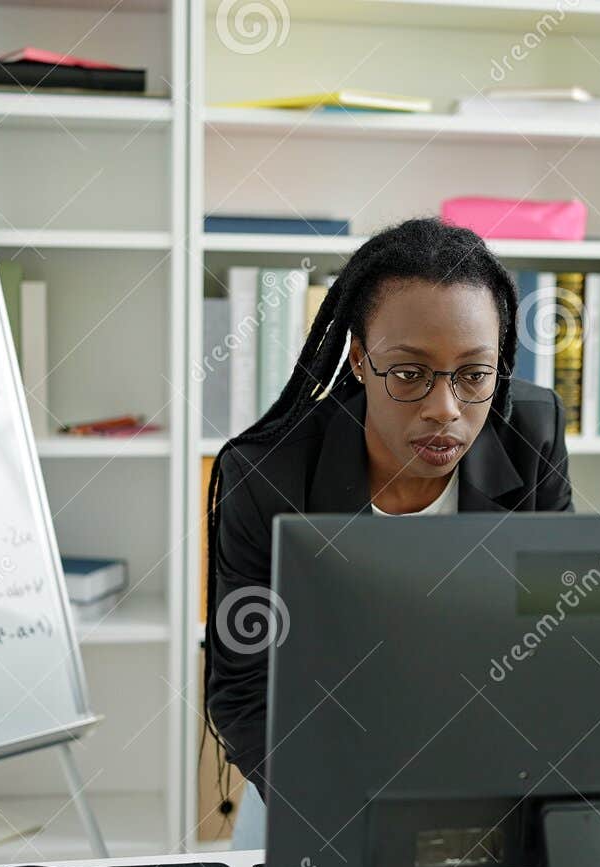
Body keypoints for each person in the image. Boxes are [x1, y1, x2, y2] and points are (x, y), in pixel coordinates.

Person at [204, 217, 575, 817]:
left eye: (474, 374)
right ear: (358, 360)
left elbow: (562, 641)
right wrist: (342, 810)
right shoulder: (268, 479)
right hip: (316, 785)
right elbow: (245, 693)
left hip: (495, 777)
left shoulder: (531, 434)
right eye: (409, 374)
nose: (445, 409)